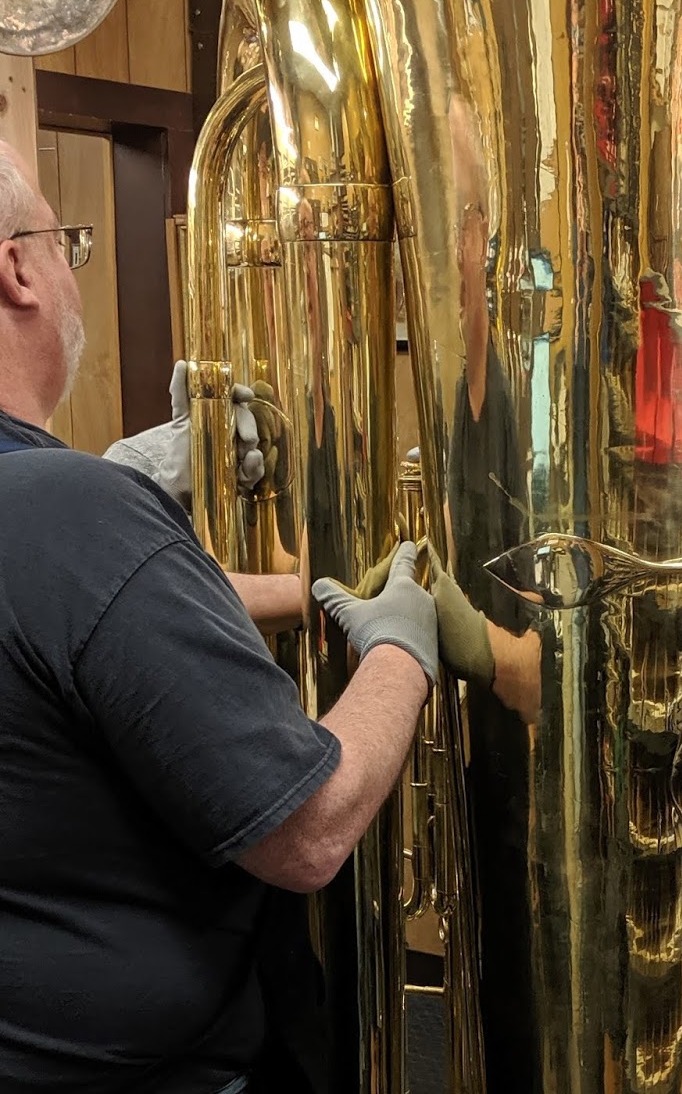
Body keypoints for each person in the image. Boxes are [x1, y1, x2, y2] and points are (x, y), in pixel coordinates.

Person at [0, 138, 438, 1094]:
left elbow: (77, 635)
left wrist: (309, 592)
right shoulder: (72, 514)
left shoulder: (54, 528)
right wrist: (404, 649)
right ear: (17, 269)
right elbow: (311, 831)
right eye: (64, 243)